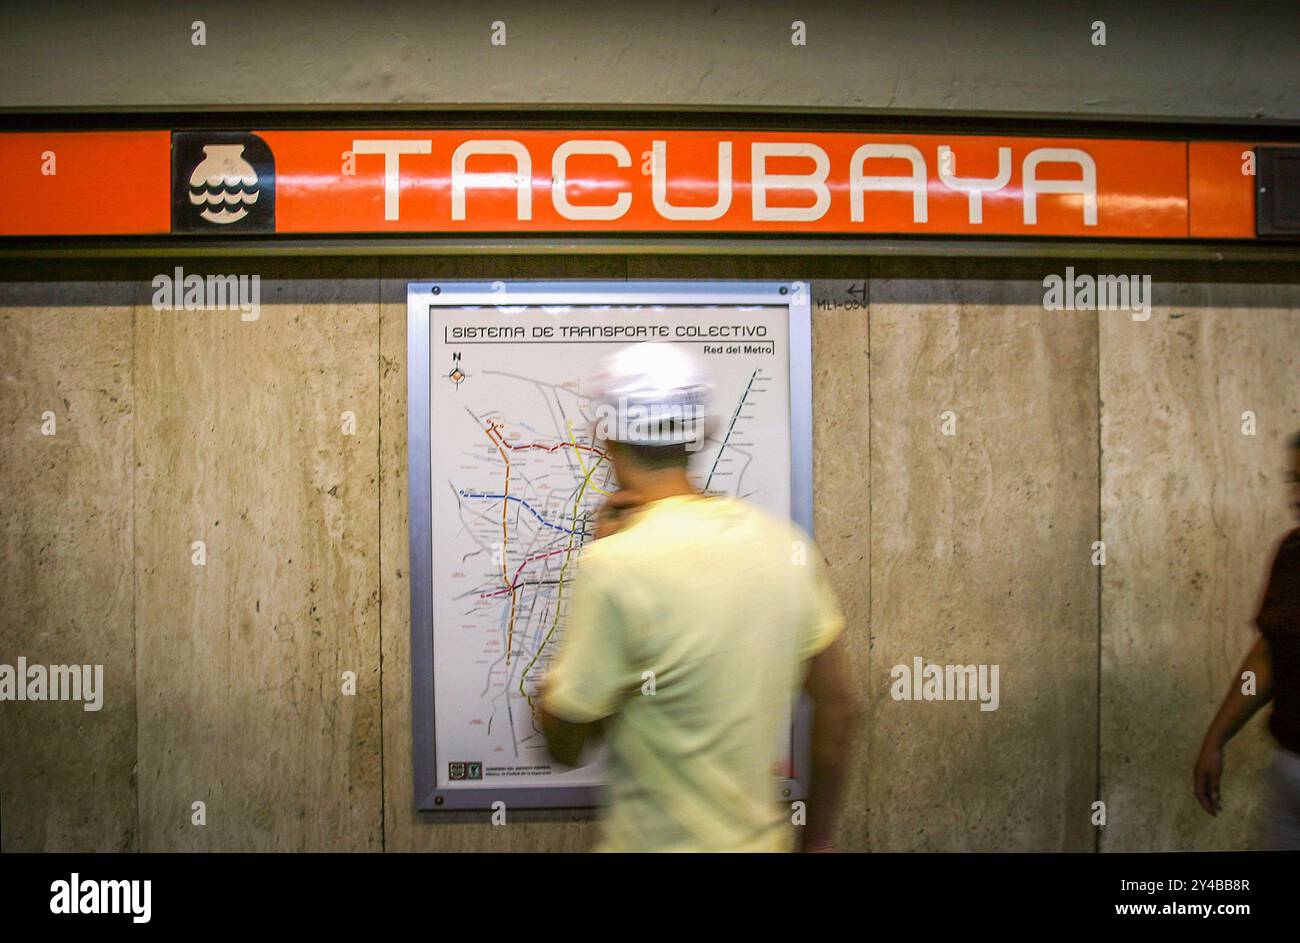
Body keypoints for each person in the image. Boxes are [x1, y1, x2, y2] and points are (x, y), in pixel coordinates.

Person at [538, 341, 857, 852]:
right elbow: (838, 707)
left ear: (609, 442)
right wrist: (816, 843)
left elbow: (566, 741)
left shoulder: (615, 565)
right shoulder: (787, 547)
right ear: (701, 433)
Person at [1194, 430, 1300, 849]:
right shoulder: (1292, 552)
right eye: (1293, 480)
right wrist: (1216, 738)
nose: (1296, 495)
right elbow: (1270, 655)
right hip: (1289, 770)